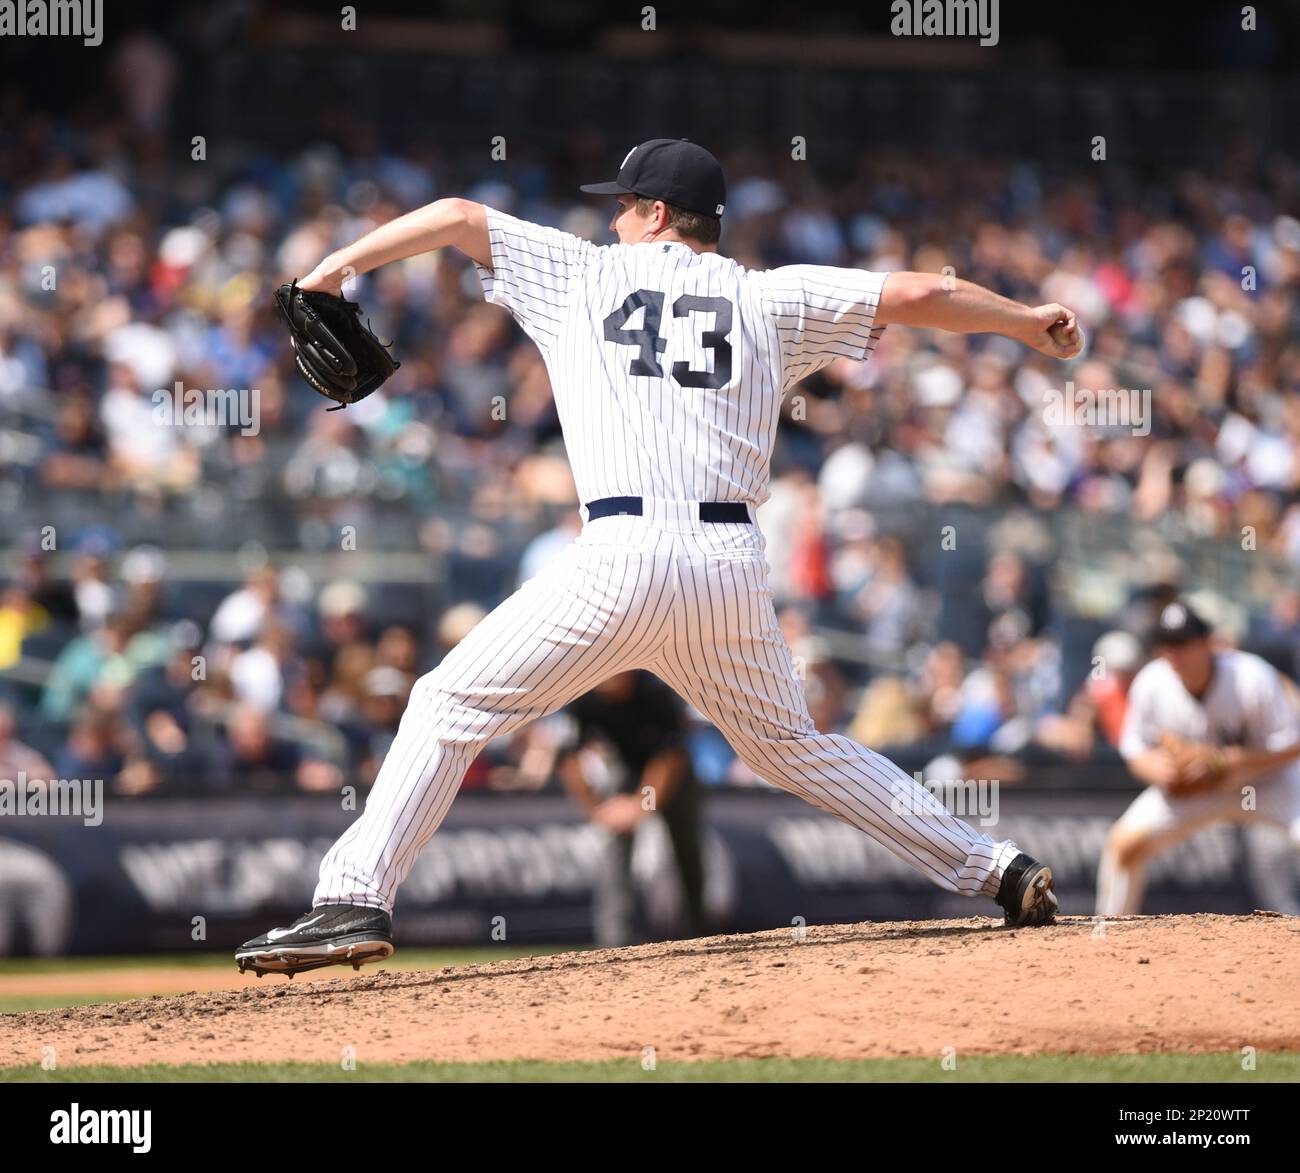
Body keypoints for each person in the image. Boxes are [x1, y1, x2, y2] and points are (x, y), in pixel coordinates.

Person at [238, 138, 1078, 976]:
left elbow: (457, 217)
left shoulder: (584, 273)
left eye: (623, 203)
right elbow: (924, 290)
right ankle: (999, 870)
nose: (612, 217)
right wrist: (1024, 323)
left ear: (656, 215)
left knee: (447, 703)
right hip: (728, 566)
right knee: (796, 750)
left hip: (620, 555)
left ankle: (353, 898)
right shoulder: (768, 295)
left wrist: (336, 266)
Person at [1096, 600, 1300, 915]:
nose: (1173, 653)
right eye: (1166, 644)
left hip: (1265, 784)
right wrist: (1154, 768)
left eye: (1182, 643)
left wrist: (1228, 761)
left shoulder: (1251, 676)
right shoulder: (1153, 682)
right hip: (1196, 790)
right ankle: (1106, 934)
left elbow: (1292, 746)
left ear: (1207, 643)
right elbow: (1135, 747)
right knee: (1123, 844)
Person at [557, 670, 705, 946]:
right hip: (625, 768)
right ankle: (614, 942)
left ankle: (699, 934)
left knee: (687, 849)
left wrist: (640, 806)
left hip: (673, 776)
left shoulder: (654, 691)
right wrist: (597, 810)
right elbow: (569, 759)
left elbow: (670, 757)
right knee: (615, 848)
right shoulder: (583, 694)